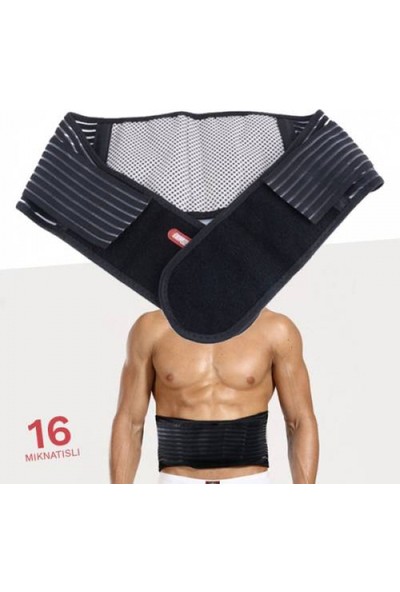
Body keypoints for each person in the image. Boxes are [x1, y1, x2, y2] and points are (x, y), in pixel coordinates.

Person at [109, 308, 319, 484]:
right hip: (177, 483)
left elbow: (299, 421)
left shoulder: (276, 329)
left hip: (249, 484)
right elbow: (130, 422)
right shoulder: (151, 328)